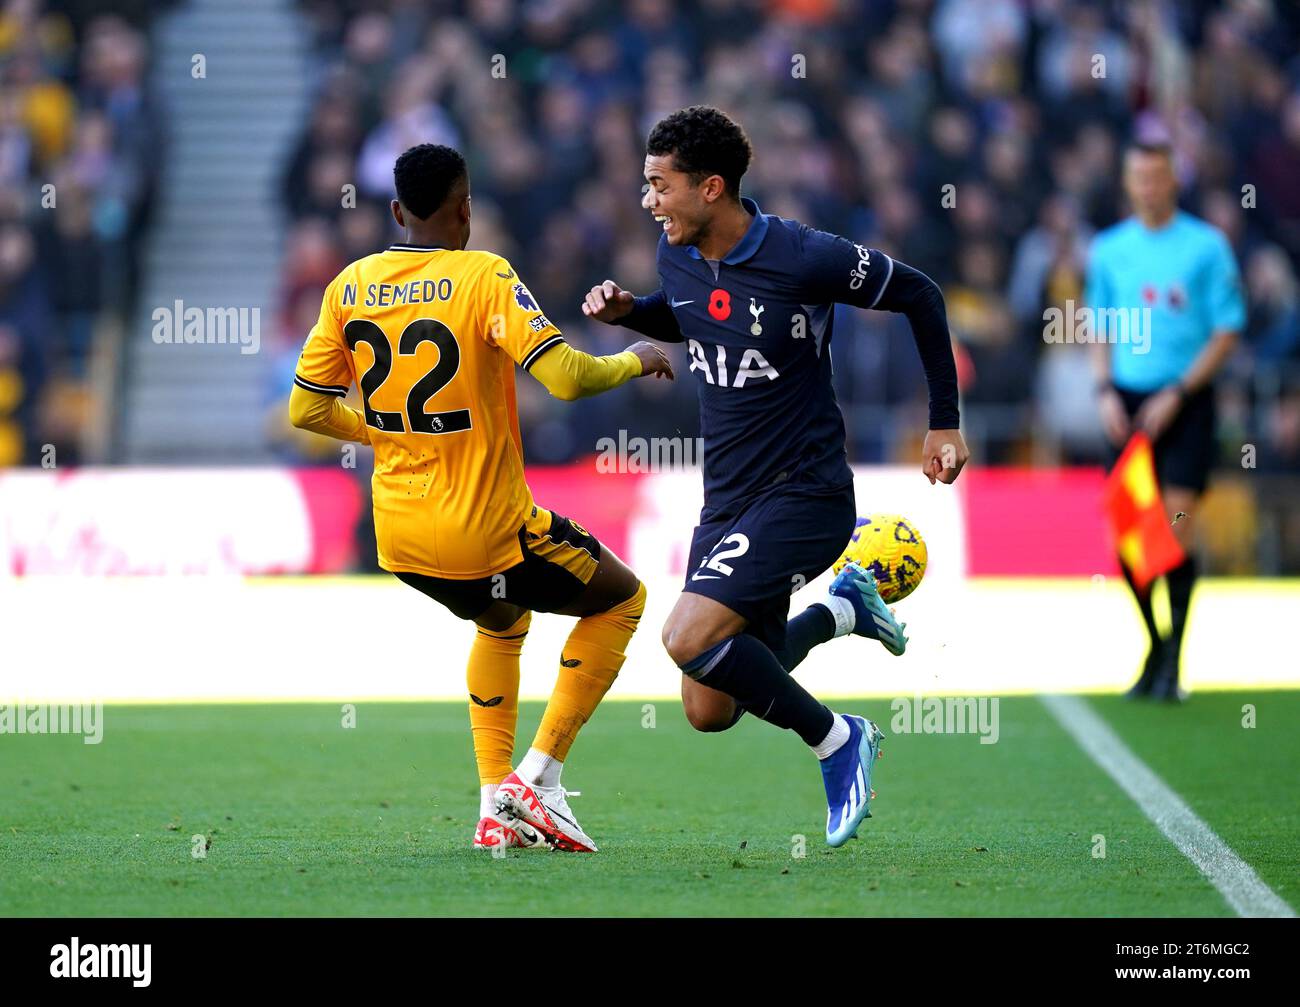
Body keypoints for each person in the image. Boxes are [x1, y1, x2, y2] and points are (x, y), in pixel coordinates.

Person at [582, 106, 969, 847]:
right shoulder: (677, 255)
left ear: (712, 187)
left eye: (660, 185)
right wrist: (636, 312)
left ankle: (836, 739)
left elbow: (921, 294)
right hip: (725, 499)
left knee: (686, 633)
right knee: (709, 705)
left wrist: (944, 420)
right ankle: (843, 610)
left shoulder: (801, 255)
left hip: (805, 491)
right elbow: (692, 314)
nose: (648, 201)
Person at [289, 143, 674, 851]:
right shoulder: (484, 274)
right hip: (487, 528)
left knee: (501, 620)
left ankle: (495, 802)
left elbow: (306, 411)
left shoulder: (350, 284)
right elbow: (563, 377)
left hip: (400, 540)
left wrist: (383, 436)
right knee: (623, 597)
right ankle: (539, 780)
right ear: (466, 209)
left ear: (397, 210)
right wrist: (634, 359)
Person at [1087, 142, 1244, 702]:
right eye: (1139, 178)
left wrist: (1179, 391)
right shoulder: (1108, 249)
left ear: (1173, 180)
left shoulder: (1207, 246)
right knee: (1129, 537)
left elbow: (1227, 329)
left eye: (1157, 177)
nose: (1148, 187)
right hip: (1126, 400)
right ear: (1128, 182)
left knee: (1174, 527)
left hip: (1186, 399)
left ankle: (1175, 657)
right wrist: (1104, 390)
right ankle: (1156, 642)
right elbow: (1098, 324)